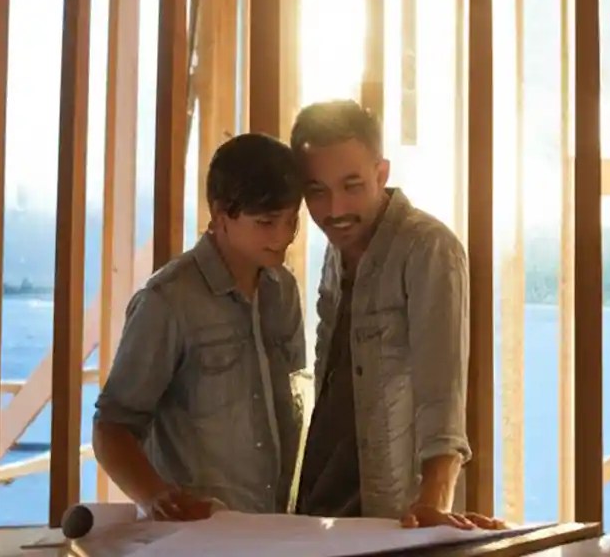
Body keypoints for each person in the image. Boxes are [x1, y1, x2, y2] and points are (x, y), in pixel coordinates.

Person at [290, 99, 501, 530]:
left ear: (381, 174)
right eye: (317, 192)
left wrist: (434, 503)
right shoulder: (336, 250)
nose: (335, 209)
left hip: (393, 515)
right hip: (320, 509)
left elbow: (442, 396)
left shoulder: (427, 247)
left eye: (352, 185)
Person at [92, 133, 306, 521]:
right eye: (266, 222)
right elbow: (112, 428)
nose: (283, 236)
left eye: (292, 221)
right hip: (196, 534)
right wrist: (158, 499)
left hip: (277, 529)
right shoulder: (168, 301)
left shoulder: (283, 289)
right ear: (221, 215)